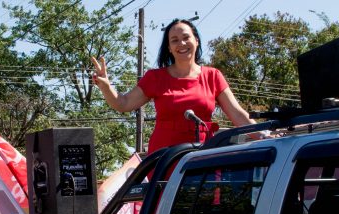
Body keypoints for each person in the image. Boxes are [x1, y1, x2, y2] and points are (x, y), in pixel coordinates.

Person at [91, 18, 256, 155]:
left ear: (196, 41)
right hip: (165, 158)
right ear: (169, 48)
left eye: (186, 37)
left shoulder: (212, 76)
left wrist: (266, 134)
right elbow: (123, 103)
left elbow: (238, 115)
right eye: (174, 40)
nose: (181, 43)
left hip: (203, 155)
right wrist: (106, 85)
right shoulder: (155, 77)